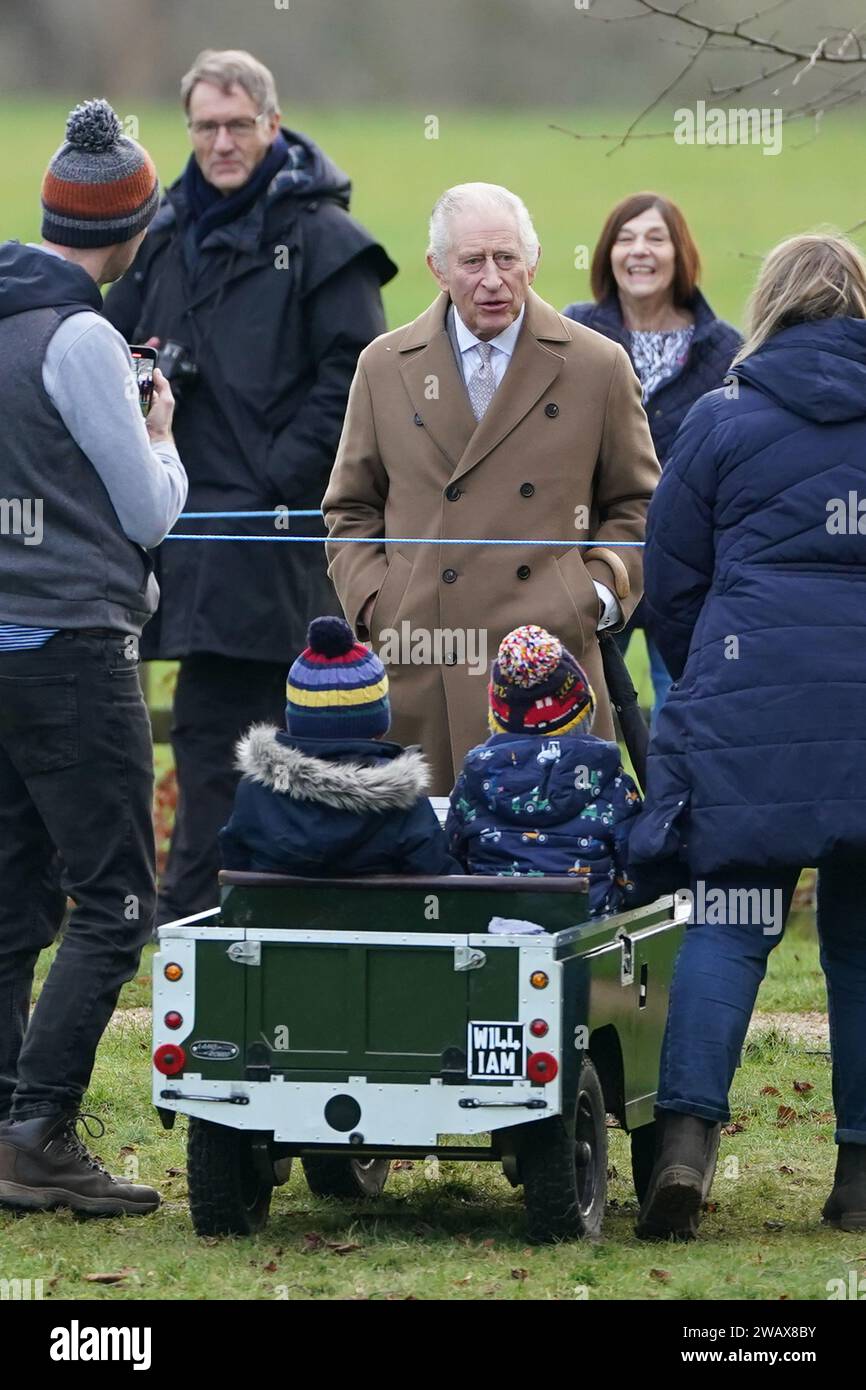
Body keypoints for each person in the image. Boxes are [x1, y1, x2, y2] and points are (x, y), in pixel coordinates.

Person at [104, 49, 397, 928]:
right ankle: (194, 929)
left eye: (238, 125)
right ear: (187, 132)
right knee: (201, 744)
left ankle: (310, 921)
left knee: (305, 744)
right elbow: (106, 350)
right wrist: (149, 382)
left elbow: (357, 374)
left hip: (280, 540)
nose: (222, 143)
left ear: (273, 125)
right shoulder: (159, 238)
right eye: (206, 127)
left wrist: (280, 474)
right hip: (187, 530)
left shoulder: (322, 242)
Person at [628, 233, 866, 1240]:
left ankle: (682, 1149)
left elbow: (667, 583)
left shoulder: (719, 418)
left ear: (766, 304)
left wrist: (714, 679)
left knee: (725, 924)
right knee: (860, 951)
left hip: (747, 710)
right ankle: (857, 1178)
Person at [0, 100, 187, 1214]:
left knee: (11, 901)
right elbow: (150, 511)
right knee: (115, 900)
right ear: (134, 228)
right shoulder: (81, 337)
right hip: (71, 647)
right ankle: (39, 1131)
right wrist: (158, 426)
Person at [323, 182, 659, 795]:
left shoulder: (597, 365)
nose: (493, 280)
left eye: (507, 259)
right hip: (421, 663)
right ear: (438, 269)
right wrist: (379, 602)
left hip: (550, 668)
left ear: (532, 263)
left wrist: (594, 596)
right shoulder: (384, 364)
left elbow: (637, 505)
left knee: (546, 875)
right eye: (473, 262)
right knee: (424, 869)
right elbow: (351, 507)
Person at [563, 193, 740, 728]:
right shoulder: (571, 334)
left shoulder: (725, 348)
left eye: (655, 238)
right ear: (606, 254)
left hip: (689, 567)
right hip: (592, 560)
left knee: (681, 716)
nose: (639, 251)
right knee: (576, 714)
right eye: (625, 238)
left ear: (680, 254)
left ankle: (669, 812)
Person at [219, 616, 457, 876]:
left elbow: (235, 870)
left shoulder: (258, 791)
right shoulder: (402, 802)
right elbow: (439, 882)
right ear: (379, 723)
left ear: (294, 718)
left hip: (269, 916)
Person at [446, 625, 640, 914]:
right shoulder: (613, 783)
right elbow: (635, 877)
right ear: (584, 710)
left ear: (498, 716)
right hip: (591, 941)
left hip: (490, 938)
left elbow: (453, 862)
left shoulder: (471, 783)